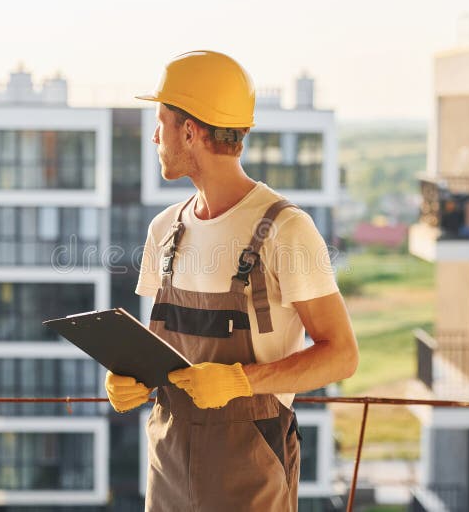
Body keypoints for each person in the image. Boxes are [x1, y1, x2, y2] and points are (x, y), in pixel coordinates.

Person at [105, 50, 359, 511]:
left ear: (190, 131)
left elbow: (341, 356)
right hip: (167, 466)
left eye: (160, 121)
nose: (154, 136)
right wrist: (129, 380)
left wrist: (240, 382)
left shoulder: (286, 229)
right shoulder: (165, 230)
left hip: (252, 468)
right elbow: (161, 349)